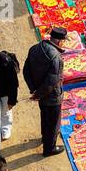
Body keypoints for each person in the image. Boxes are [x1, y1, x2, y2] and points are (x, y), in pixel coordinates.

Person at [23, 27, 66, 157]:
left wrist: (34, 89)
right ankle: (49, 148)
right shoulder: (56, 58)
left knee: (45, 117)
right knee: (53, 123)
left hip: (40, 94)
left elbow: (26, 70)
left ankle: (44, 137)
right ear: (59, 41)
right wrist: (38, 94)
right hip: (52, 96)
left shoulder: (35, 48)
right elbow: (51, 82)